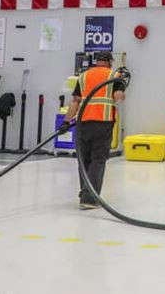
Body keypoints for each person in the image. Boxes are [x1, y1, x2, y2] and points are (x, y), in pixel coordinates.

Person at [62, 51, 127, 210]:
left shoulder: (83, 76)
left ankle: (85, 192)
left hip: (83, 123)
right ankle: (89, 199)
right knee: (98, 159)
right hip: (103, 123)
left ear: (96, 61)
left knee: (84, 160)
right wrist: (121, 92)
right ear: (110, 62)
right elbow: (118, 96)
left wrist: (65, 122)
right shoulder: (115, 75)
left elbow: (75, 102)